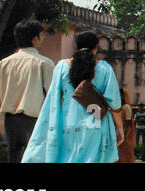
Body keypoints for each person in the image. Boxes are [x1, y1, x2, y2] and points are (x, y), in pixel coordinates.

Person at [22, 31, 122, 163]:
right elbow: (114, 103)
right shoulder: (105, 69)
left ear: (76, 46)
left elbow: (54, 99)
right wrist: (120, 128)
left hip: (67, 126)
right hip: (97, 125)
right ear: (96, 47)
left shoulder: (62, 67)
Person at [0, 18, 54, 163]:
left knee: (14, 158)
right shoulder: (44, 63)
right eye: (42, 35)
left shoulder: (4, 64)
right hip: (35, 120)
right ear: (35, 39)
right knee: (35, 158)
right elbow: (53, 96)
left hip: (11, 121)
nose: (44, 38)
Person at [114, 99, 136, 163]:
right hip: (117, 132)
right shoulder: (116, 108)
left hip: (124, 132)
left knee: (124, 153)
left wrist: (124, 133)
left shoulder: (126, 107)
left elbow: (128, 122)